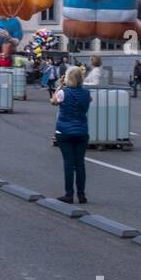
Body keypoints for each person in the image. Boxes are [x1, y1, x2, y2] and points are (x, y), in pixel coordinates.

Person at [54, 66, 91, 204]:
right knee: (80, 163)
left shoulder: (63, 92)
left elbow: (53, 101)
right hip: (82, 131)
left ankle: (69, 194)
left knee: (68, 163)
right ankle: (81, 195)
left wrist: (60, 85)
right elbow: (89, 100)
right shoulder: (86, 93)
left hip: (64, 132)